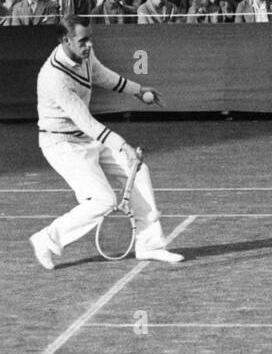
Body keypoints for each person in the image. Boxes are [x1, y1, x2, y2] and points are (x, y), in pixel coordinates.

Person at [30, 20, 182, 270]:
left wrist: (137, 89)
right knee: (103, 200)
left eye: (90, 38)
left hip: (86, 136)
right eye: (82, 41)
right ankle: (46, 239)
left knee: (138, 170)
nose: (89, 45)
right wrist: (123, 145)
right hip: (61, 144)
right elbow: (87, 122)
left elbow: (101, 74)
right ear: (65, 41)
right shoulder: (54, 77)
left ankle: (150, 245)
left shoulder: (85, 53)